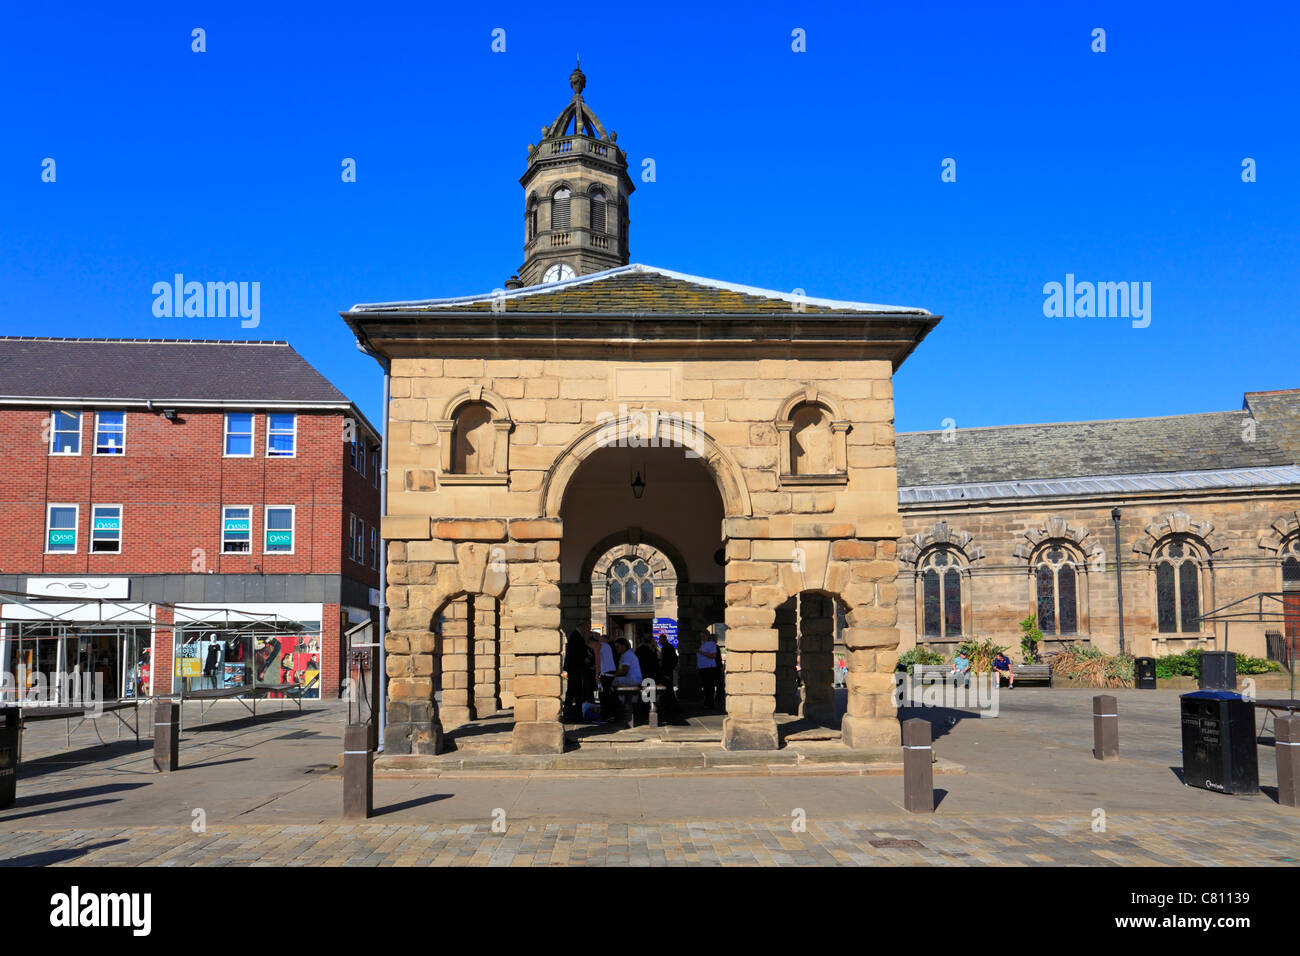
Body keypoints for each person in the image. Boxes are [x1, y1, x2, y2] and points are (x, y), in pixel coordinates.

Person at [563, 628, 589, 720]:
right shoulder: (577, 637)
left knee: (572, 689)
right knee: (575, 689)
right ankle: (574, 711)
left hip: (573, 668)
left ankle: (570, 710)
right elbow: (580, 654)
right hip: (575, 668)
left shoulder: (575, 637)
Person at [597, 632, 619, 720]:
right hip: (612, 673)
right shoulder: (610, 647)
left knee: (604, 696)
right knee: (610, 695)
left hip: (606, 674)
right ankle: (612, 714)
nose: (599, 640)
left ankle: (605, 715)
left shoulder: (602, 646)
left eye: (601, 639)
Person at [698, 631, 721, 709]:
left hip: (709, 667)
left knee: (709, 686)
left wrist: (701, 652)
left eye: (703, 636)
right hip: (702, 667)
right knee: (705, 686)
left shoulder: (711, 644)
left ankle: (710, 703)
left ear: (707, 636)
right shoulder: (701, 644)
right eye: (701, 636)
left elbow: (713, 655)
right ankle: (706, 702)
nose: (702, 637)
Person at [657, 633, 679, 717]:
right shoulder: (669, 647)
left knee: (667, 688)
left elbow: (668, 659)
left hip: (667, 670)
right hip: (669, 669)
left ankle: (668, 704)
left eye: (660, 639)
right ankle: (669, 704)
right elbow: (675, 658)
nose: (659, 641)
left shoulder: (666, 648)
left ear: (664, 639)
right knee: (668, 688)